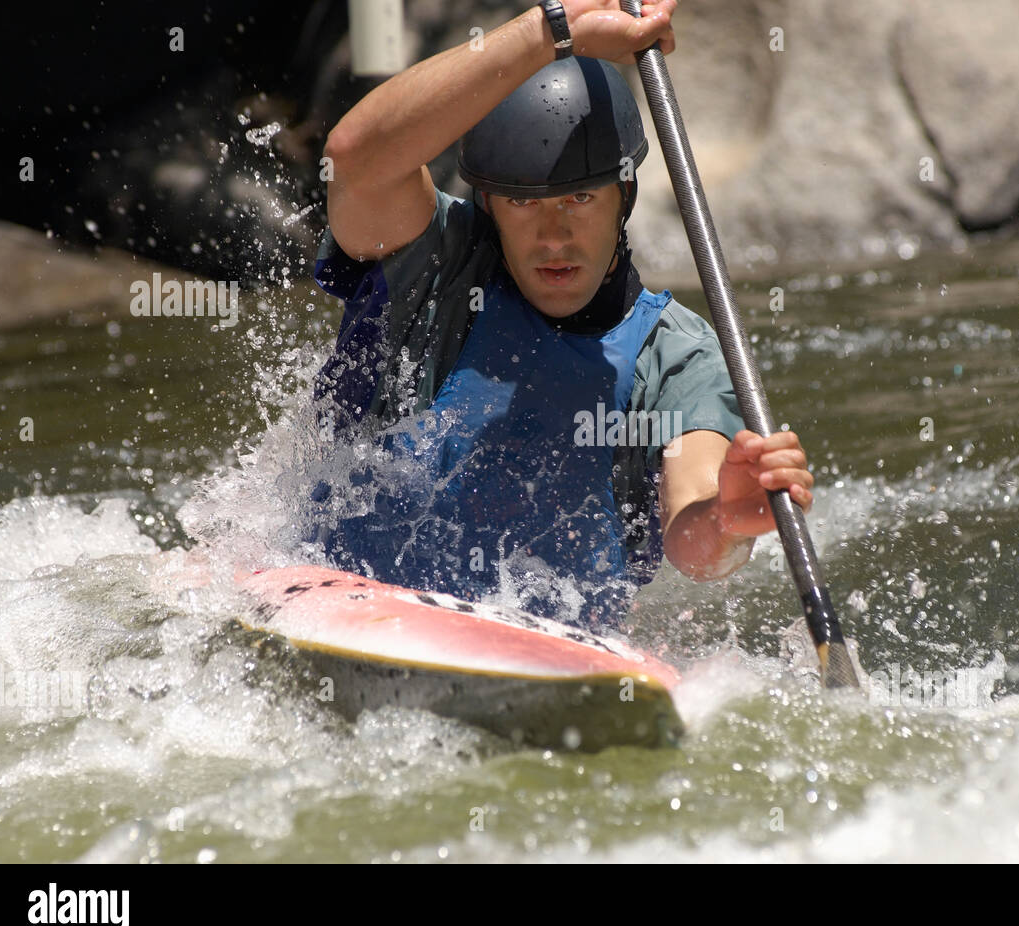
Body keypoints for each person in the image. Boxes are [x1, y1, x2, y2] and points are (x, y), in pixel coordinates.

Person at [306, 0, 815, 633]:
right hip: (337, 599)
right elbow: (354, 156)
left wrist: (730, 517)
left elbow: (693, 534)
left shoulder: (676, 354)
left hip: (551, 645)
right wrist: (547, 30)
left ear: (623, 195)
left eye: (580, 197)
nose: (554, 235)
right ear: (488, 202)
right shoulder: (433, 263)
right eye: (524, 202)